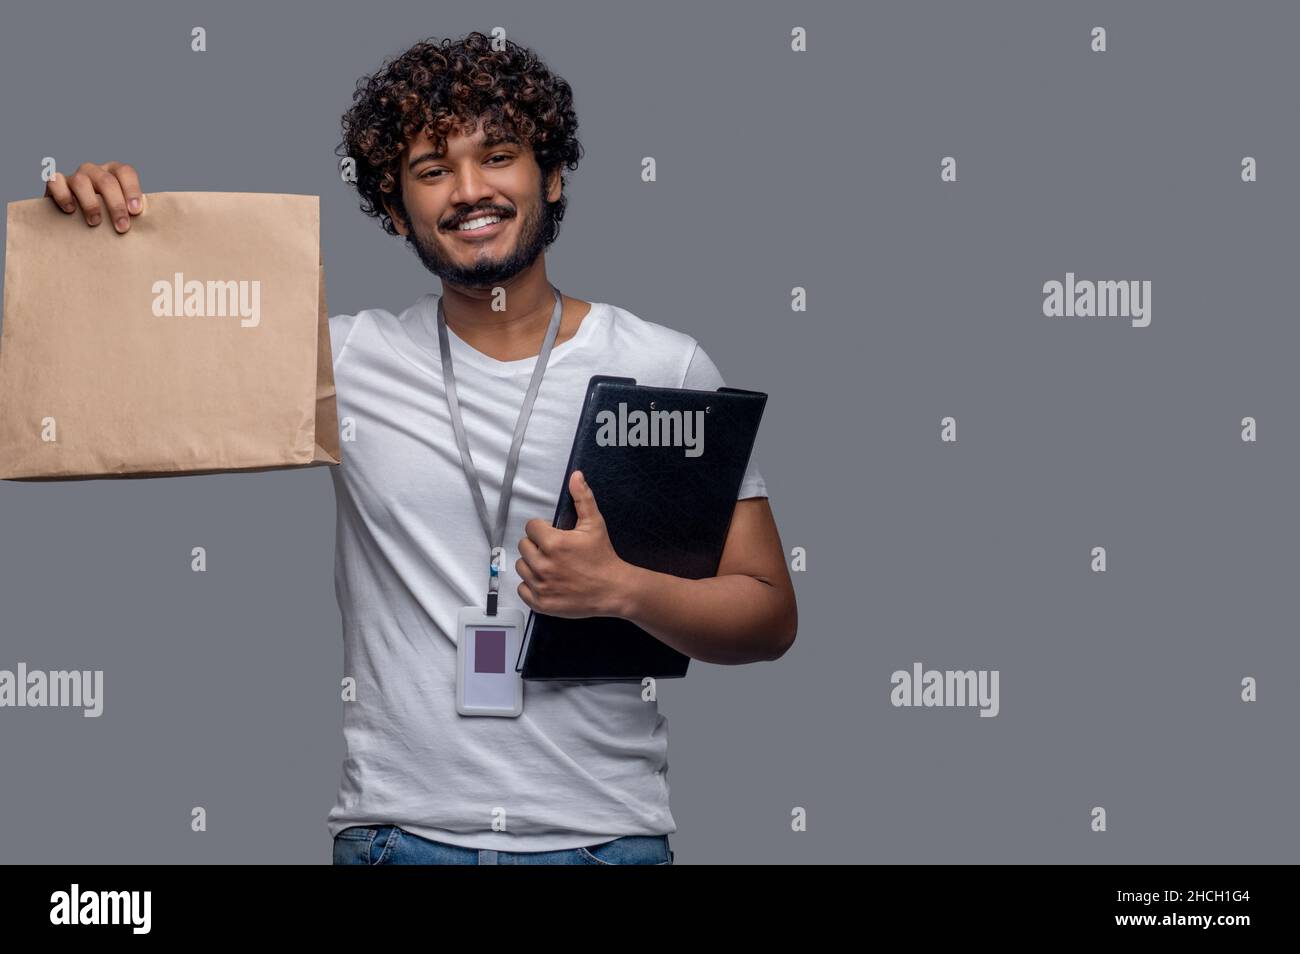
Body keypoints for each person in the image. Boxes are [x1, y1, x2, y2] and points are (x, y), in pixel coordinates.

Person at [44, 30, 797, 866]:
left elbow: (768, 614)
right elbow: (114, 381)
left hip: (604, 842)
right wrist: (95, 241)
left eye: (499, 156)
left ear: (549, 174)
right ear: (397, 209)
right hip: (397, 841)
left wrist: (623, 589)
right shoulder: (343, 361)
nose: (470, 191)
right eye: (433, 169)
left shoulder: (664, 366)